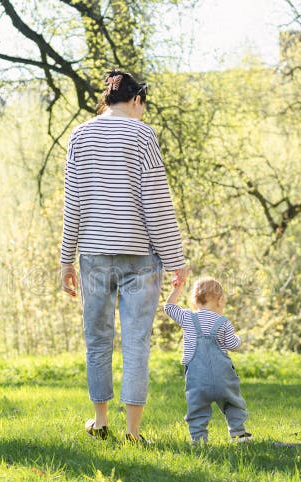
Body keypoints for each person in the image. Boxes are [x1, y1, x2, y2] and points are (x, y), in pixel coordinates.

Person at [60, 69, 189, 443]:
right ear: (136, 100)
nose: (142, 114)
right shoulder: (142, 134)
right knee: (136, 341)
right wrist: (176, 259)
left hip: (95, 253)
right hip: (140, 257)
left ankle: (100, 423)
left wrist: (66, 258)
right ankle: (133, 432)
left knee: (96, 338)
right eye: (143, 107)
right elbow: (157, 203)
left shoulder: (79, 135)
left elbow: (74, 203)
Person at [164, 277, 252, 443]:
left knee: (197, 408)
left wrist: (178, 288)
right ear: (220, 300)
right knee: (232, 403)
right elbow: (233, 345)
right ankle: (239, 434)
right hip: (223, 378)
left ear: (194, 302)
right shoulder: (223, 322)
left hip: (197, 380)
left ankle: (198, 439)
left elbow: (168, 307)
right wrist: (239, 339)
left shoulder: (187, 317)